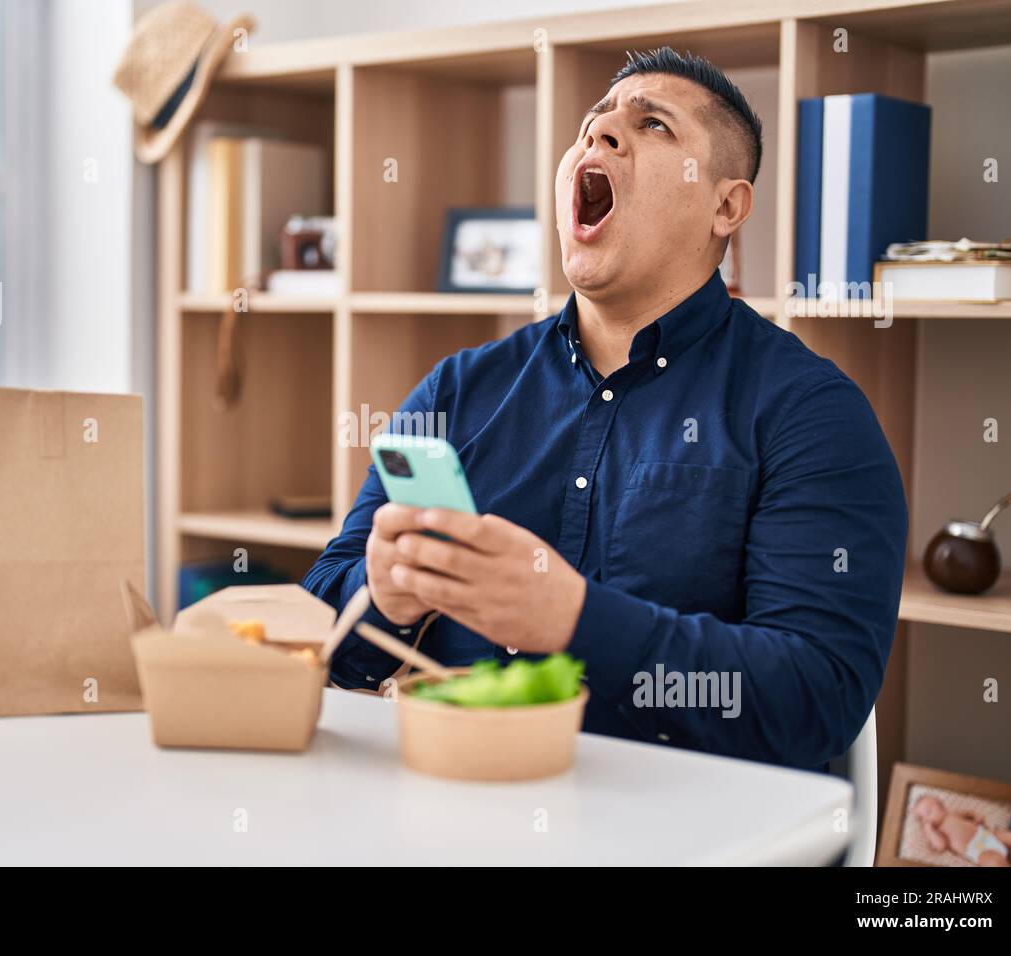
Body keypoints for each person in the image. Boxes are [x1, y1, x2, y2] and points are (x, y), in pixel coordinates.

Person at [303, 47, 907, 770]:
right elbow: (324, 636)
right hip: (449, 792)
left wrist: (576, 621)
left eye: (654, 126)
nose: (601, 134)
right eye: (593, 124)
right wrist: (383, 596)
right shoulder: (458, 391)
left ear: (726, 205)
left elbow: (816, 699)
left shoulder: (812, 415)